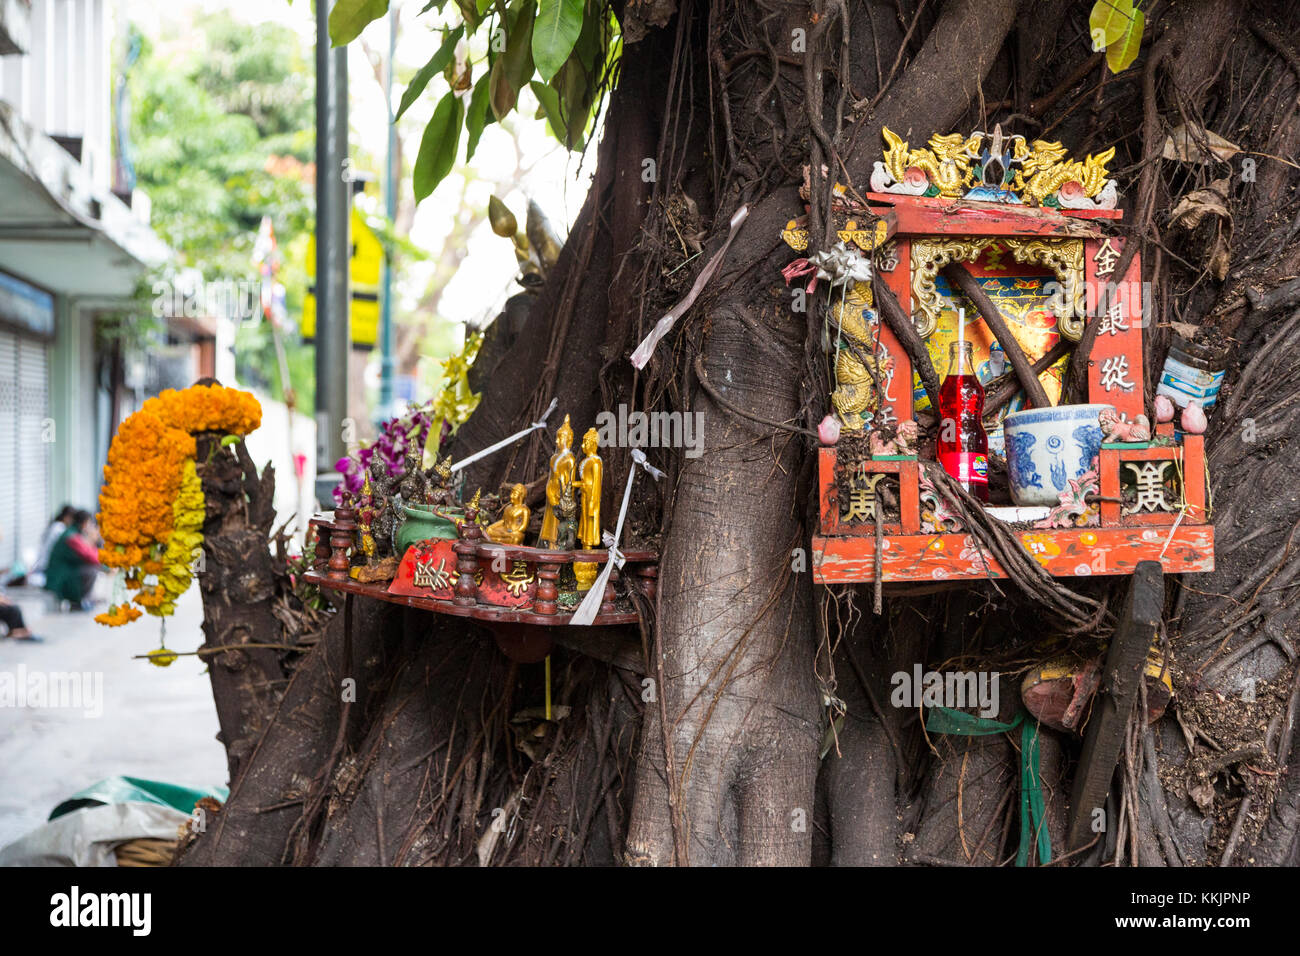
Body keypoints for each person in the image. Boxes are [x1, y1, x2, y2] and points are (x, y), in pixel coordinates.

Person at [43, 510, 101, 610]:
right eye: (90, 523)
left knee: (91, 568)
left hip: (65, 573)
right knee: (92, 570)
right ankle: (78, 602)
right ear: (84, 523)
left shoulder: (73, 533)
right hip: (59, 578)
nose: (91, 527)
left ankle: (83, 600)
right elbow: (90, 557)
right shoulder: (71, 536)